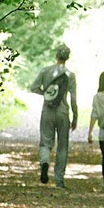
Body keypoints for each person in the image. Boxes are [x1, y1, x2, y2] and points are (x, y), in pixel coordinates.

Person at [29, 44, 78, 189]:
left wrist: (46, 94)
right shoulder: (70, 75)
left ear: (56, 56)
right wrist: (75, 116)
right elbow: (73, 98)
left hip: (47, 110)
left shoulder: (45, 71)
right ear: (67, 58)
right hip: (63, 112)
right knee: (62, 147)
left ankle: (45, 162)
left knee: (45, 143)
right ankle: (59, 180)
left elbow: (34, 87)